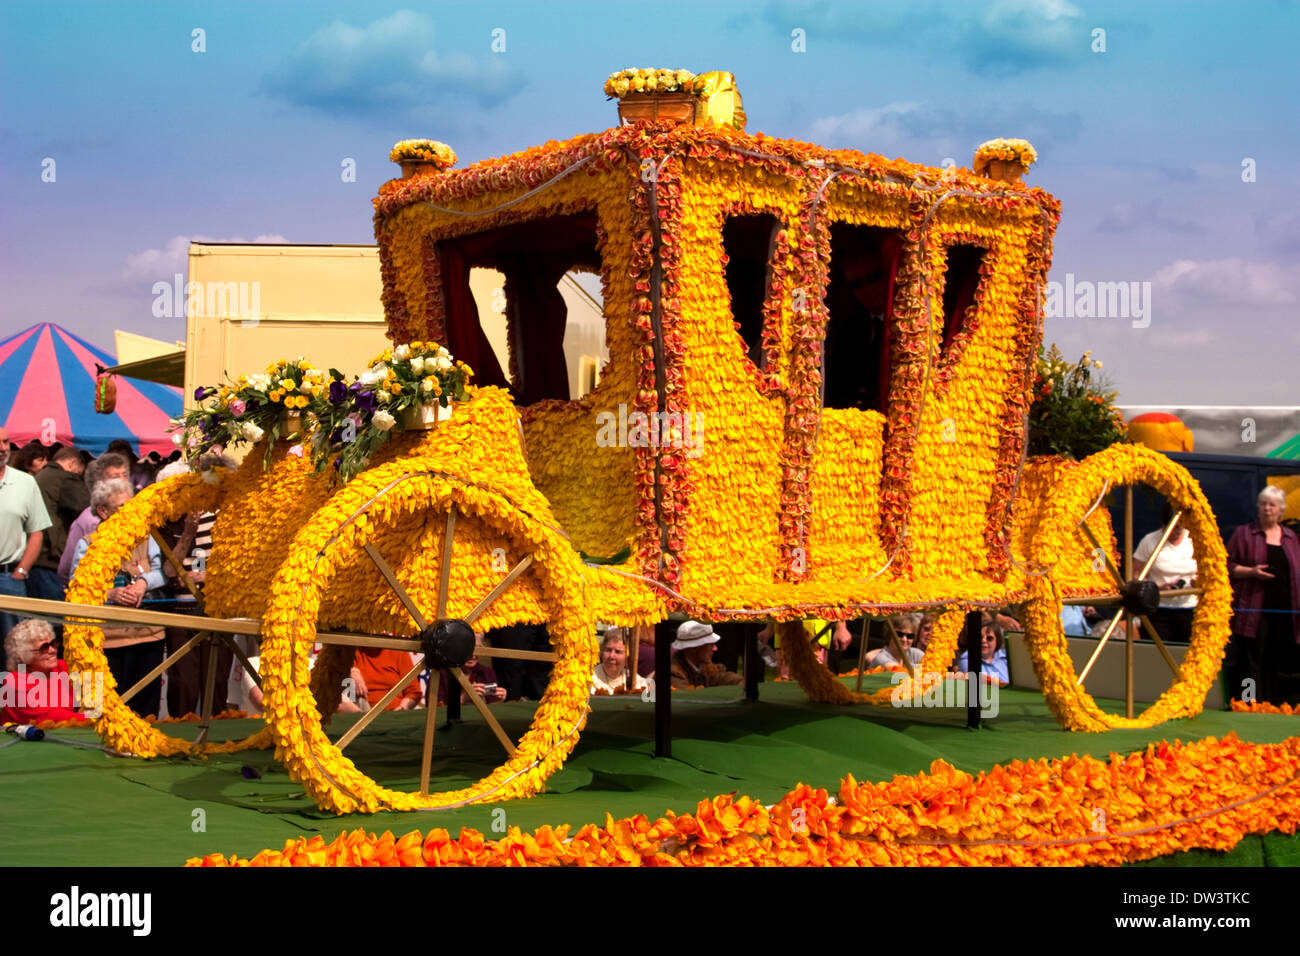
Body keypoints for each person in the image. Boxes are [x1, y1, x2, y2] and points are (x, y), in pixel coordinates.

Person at [69, 479, 167, 717]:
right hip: (109, 639)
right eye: (122, 507)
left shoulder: (147, 536)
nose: (129, 512)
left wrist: (144, 583)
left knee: (146, 707)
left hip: (148, 634)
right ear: (103, 511)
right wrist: (110, 593)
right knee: (111, 707)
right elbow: (75, 587)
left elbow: (162, 572)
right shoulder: (88, 543)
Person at [1226, 486, 1300, 705]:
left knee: (1276, 658)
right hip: (1253, 610)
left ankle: (1273, 703)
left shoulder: (1290, 537)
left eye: (1272, 505)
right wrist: (1251, 572)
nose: (1267, 509)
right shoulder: (1244, 533)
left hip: (1285, 611)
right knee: (1251, 660)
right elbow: (1226, 565)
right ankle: (1249, 701)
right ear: (1258, 508)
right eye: (1263, 504)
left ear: (1280, 510)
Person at [0, 427, 52, 640]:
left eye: (5, 442)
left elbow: (36, 533)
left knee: (14, 650)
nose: (3, 448)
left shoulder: (26, 482)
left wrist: (21, 571)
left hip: (9, 578)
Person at [57, 452, 130, 586]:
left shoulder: (134, 516)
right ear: (98, 483)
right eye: (115, 477)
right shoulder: (88, 520)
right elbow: (66, 570)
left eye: (124, 475)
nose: (123, 481)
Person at [1, 619, 90, 724]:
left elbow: (91, 695)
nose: (52, 650)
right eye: (44, 647)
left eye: (53, 643)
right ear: (23, 655)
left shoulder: (63, 667)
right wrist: (91, 718)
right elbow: (49, 717)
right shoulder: (15, 682)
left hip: (64, 733)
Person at [1132, 505, 1198, 643]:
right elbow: (1135, 576)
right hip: (1158, 609)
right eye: (1170, 528)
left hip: (1189, 609)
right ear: (1162, 525)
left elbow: (1209, 572)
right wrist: (1157, 587)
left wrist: (1198, 582)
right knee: (1155, 653)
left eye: (1178, 528)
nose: (1174, 532)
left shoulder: (1195, 540)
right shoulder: (1149, 541)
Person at [33, 446, 89, 604]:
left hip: (36, 555)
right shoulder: (64, 478)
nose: (77, 476)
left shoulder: (42, 476)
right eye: (78, 473)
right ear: (72, 464)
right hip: (50, 557)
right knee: (55, 619)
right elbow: (87, 507)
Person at [670, 620, 743, 689]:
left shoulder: (705, 666)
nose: (715, 648)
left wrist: (743, 682)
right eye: (710, 644)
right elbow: (685, 697)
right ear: (694, 648)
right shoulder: (674, 672)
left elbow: (722, 677)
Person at [955, 614, 1010, 685]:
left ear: (997, 640)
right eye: (979, 637)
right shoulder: (967, 660)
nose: (983, 641)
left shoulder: (1007, 657)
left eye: (989, 638)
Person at [591, 627, 648, 694]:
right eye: (608, 650)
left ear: (626, 657)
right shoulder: (590, 678)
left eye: (617, 652)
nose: (611, 656)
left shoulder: (637, 682)